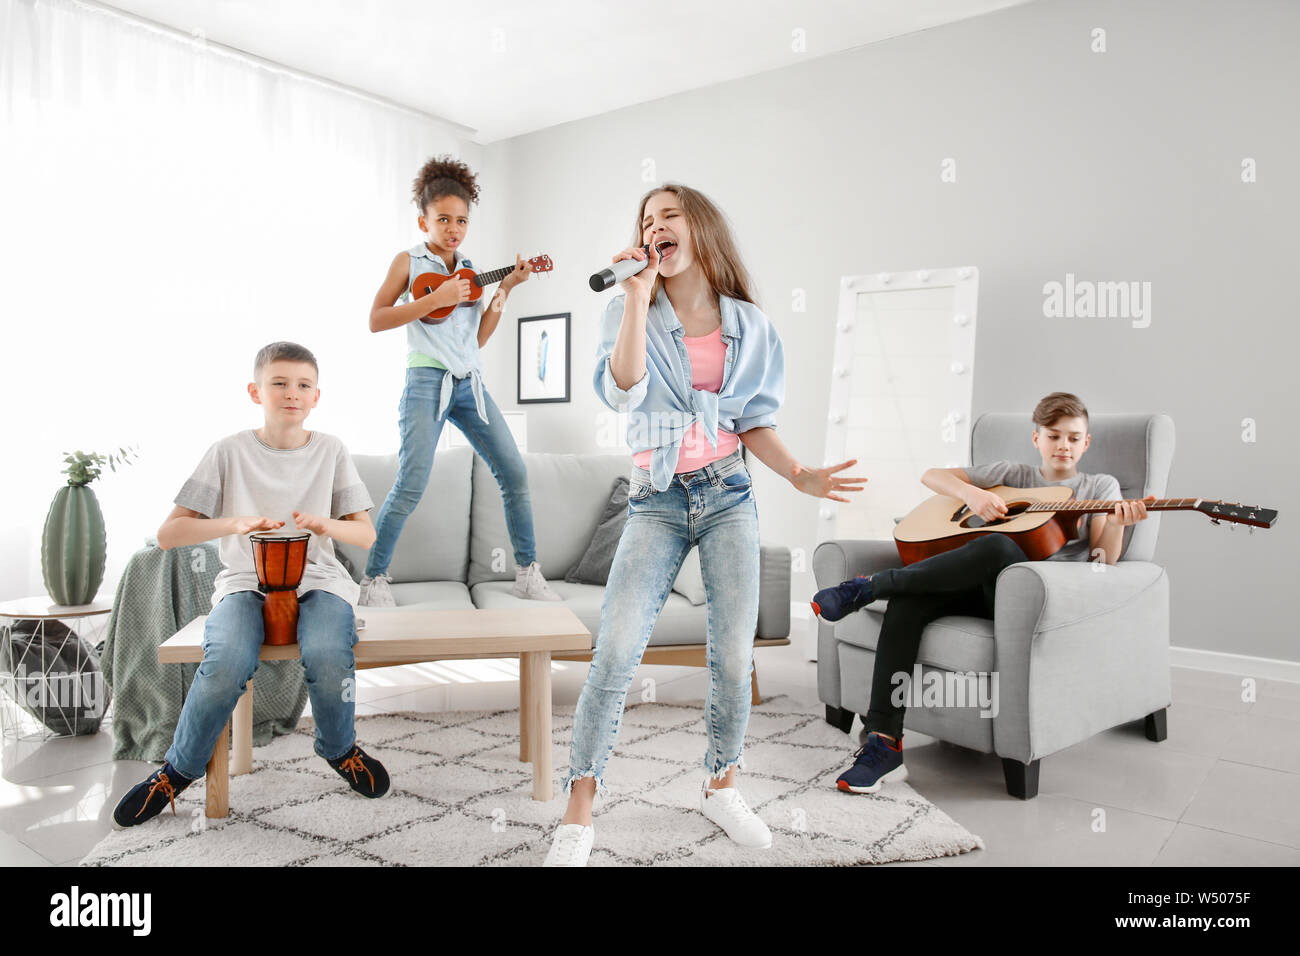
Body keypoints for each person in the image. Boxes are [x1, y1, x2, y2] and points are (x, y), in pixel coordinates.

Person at [544, 184, 866, 866]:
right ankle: (579, 808)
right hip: (655, 498)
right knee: (615, 652)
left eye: (669, 215)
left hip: (728, 496)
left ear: (700, 229)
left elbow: (753, 420)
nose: (655, 226)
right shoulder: (627, 306)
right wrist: (635, 299)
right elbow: (623, 386)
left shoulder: (750, 325)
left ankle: (720, 785)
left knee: (732, 656)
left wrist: (801, 475)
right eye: (646, 220)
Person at [812, 391, 1151, 794]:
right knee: (909, 601)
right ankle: (884, 743)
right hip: (979, 589)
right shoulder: (1014, 475)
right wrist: (974, 494)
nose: (1064, 445)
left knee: (998, 546)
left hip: (1032, 602)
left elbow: (1102, 562)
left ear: (1086, 442)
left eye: (1074, 438)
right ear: (1036, 438)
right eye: (1054, 435)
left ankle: (869, 586)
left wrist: (1117, 524)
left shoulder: (1100, 486)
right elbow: (933, 476)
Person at [112, 342, 389, 828]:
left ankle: (339, 749)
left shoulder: (331, 450)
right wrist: (233, 523)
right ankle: (177, 771)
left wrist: (327, 524)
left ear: (317, 396)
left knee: (328, 652)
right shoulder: (227, 451)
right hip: (244, 582)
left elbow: (364, 532)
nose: (291, 394)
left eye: (303, 385)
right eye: (279, 383)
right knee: (225, 662)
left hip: (320, 582)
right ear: (255, 390)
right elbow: (168, 534)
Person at [360, 154, 560, 606]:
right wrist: (442, 294)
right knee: (411, 482)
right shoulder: (407, 263)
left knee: (514, 472)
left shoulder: (470, 269)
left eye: (462, 220)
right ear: (423, 220)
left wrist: (504, 290)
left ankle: (527, 573)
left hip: (470, 384)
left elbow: (479, 338)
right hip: (426, 382)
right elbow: (377, 319)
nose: (453, 228)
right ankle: (374, 580)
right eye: (444, 219)